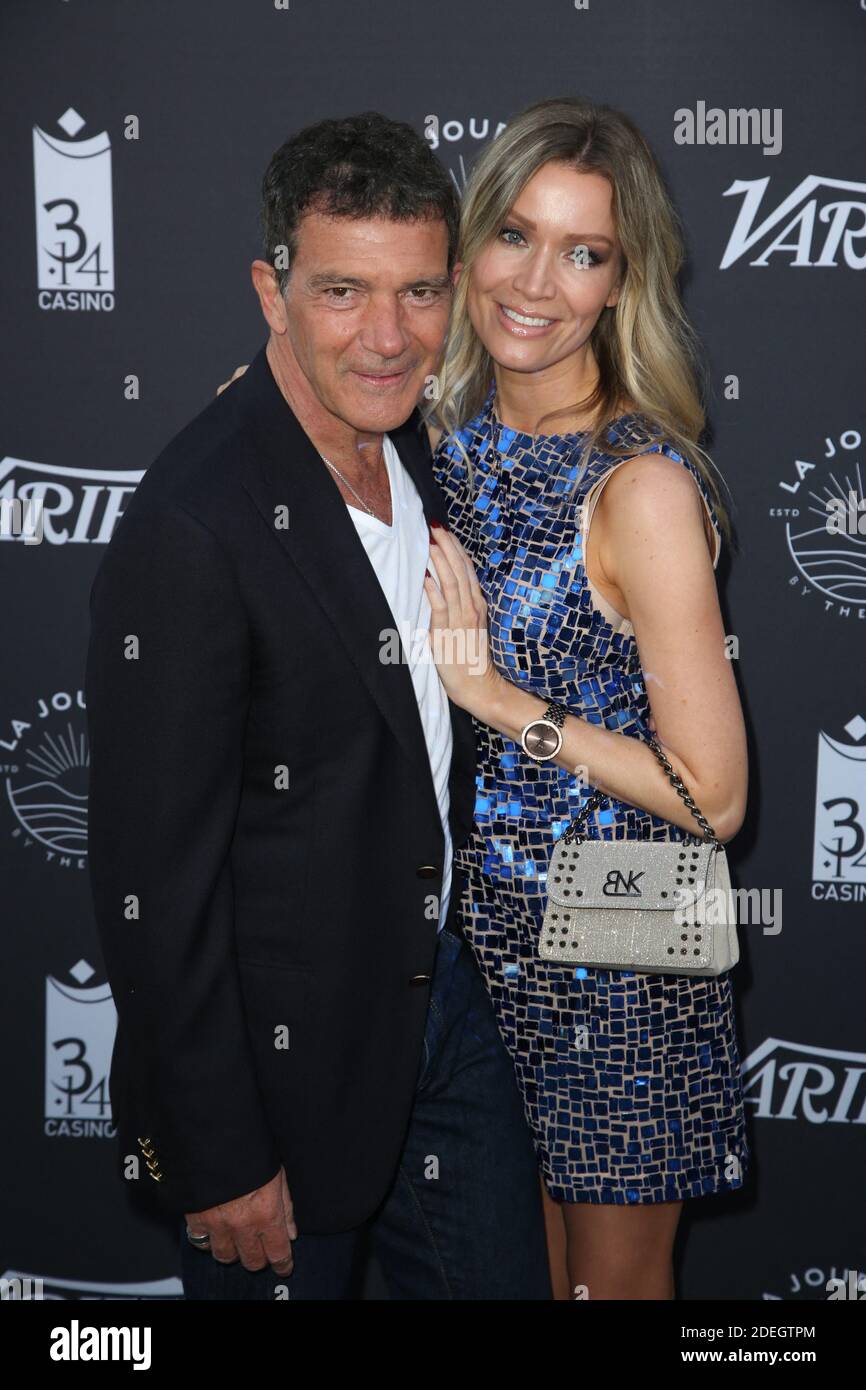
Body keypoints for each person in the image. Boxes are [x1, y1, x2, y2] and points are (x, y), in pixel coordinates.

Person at [85, 111, 551, 1301]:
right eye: (342, 292)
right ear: (269, 288)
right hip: (273, 1069)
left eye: (418, 293)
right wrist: (219, 1151)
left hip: (442, 1005)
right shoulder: (193, 525)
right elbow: (153, 880)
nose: (388, 339)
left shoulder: (414, 448)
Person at [420, 96, 751, 1300]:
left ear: (620, 282)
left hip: (627, 921)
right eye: (514, 235)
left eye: (583, 251)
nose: (537, 281)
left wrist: (498, 700)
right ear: (466, 254)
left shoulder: (641, 483)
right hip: (478, 933)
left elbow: (711, 796)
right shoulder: (444, 452)